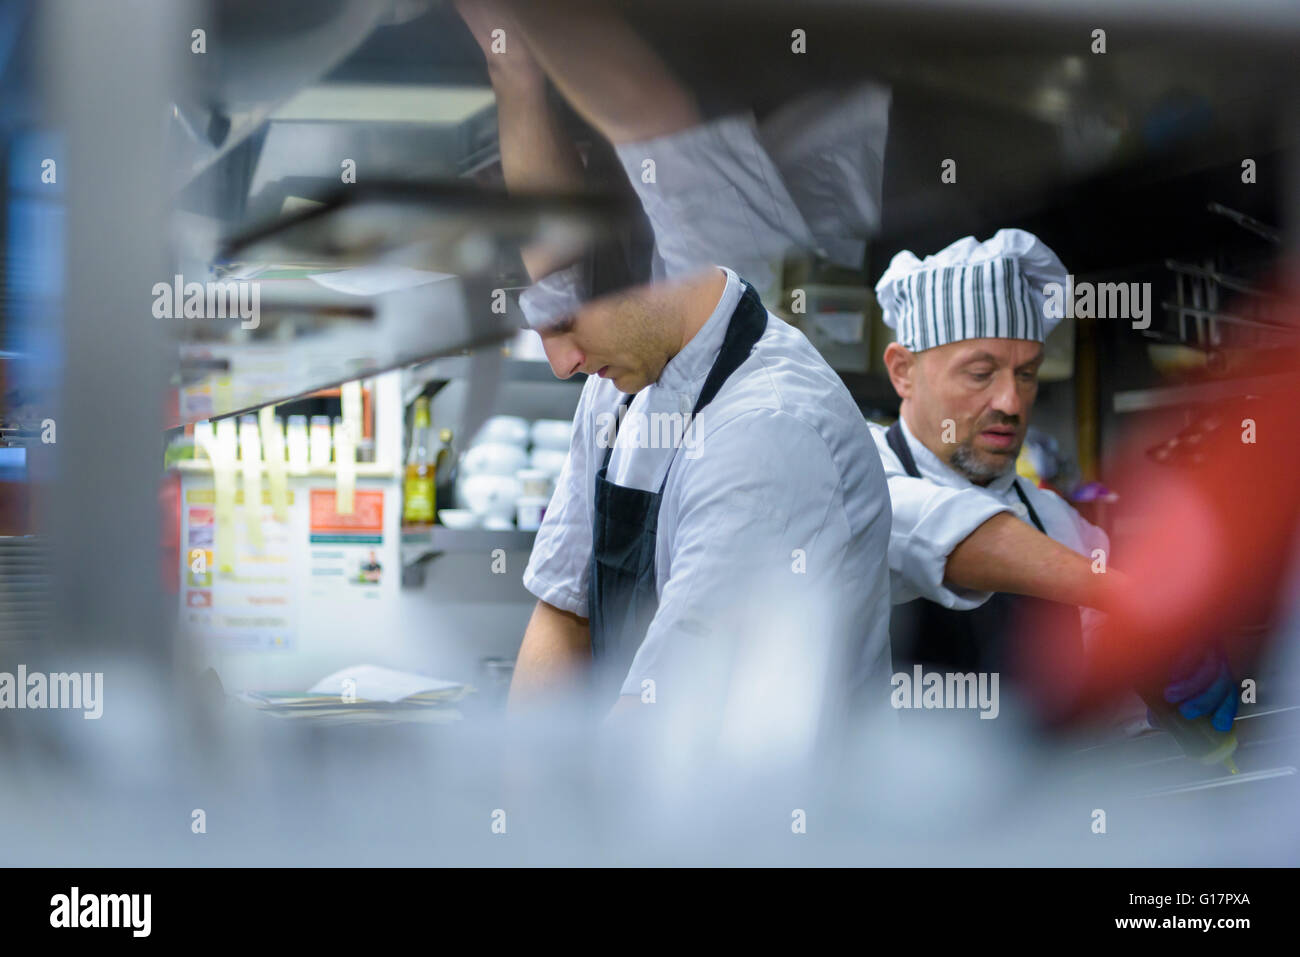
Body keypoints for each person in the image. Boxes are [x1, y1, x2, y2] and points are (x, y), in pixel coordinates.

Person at [870, 228, 1236, 730]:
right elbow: (917, 520)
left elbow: (1110, 718)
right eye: (981, 373)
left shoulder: (1058, 524)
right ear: (903, 371)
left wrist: (1160, 685)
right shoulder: (856, 473)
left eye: (1026, 374)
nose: (1011, 403)